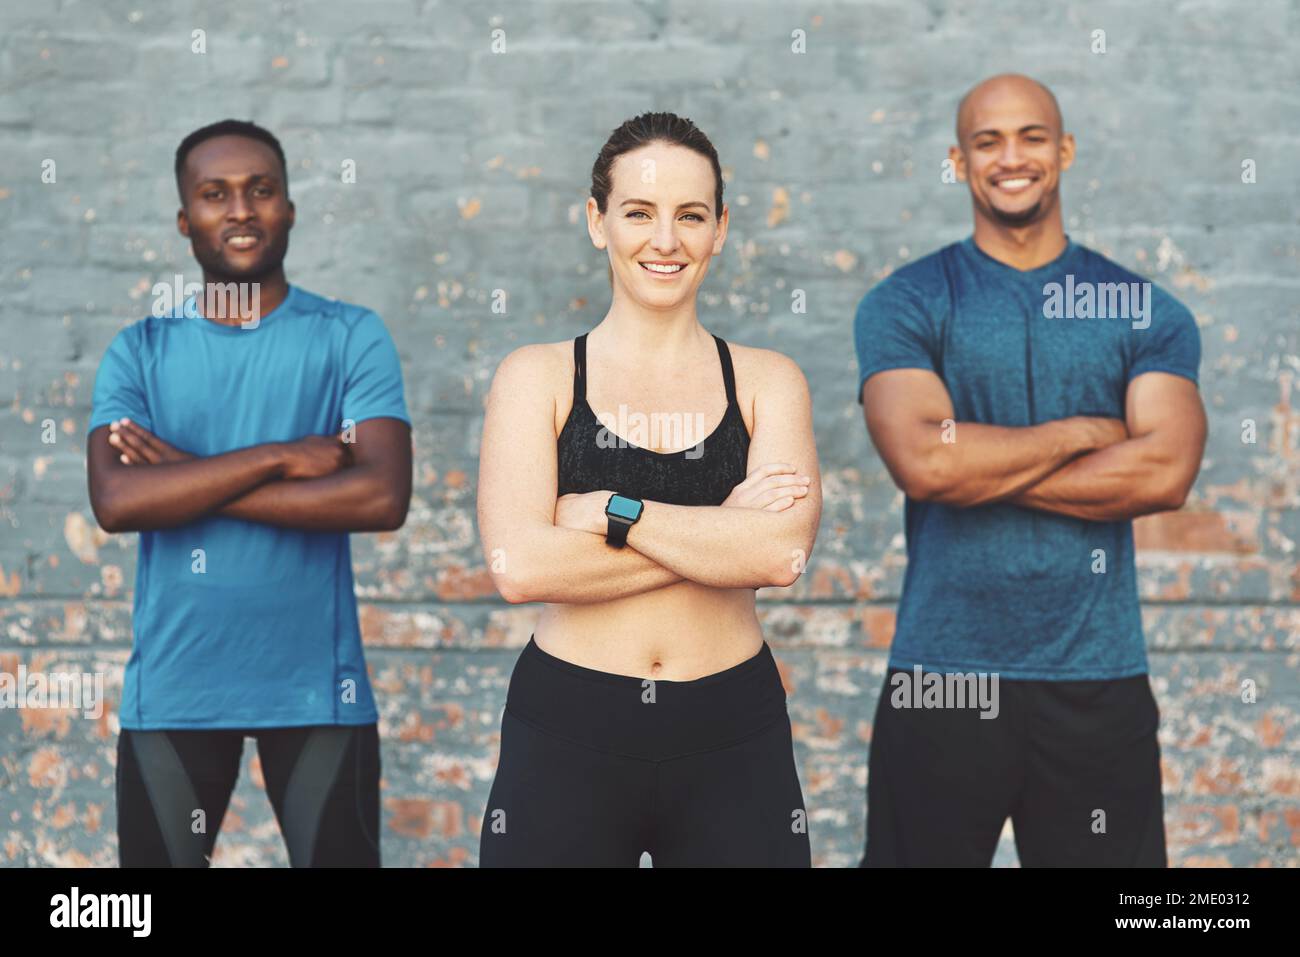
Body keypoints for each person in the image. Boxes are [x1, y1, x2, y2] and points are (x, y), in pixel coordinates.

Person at [853, 74, 1206, 867]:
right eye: (987, 141)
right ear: (959, 161)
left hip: (1098, 676)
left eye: (1032, 136)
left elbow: (1164, 473)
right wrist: (1080, 434)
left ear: (1065, 150)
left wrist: (975, 463)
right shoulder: (907, 300)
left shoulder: (1141, 308)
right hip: (941, 677)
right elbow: (923, 461)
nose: (1011, 157)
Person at [476, 112, 821, 867]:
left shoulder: (768, 381)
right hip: (569, 726)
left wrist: (606, 512)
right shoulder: (536, 377)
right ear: (597, 220)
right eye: (639, 212)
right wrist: (719, 532)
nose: (665, 240)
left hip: (733, 729)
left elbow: (781, 553)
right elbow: (521, 566)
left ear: (721, 228)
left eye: (690, 216)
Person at [86, 119, 412, 867]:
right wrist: (281, 456)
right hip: (175, 691)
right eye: (214, 194)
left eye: (260, 190)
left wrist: (188, 476)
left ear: (289, 208)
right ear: (184, 220)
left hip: (316, 691)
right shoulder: (140, 349)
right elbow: (117, 502)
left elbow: (380, 498)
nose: (240, 210)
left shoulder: (349, 336)